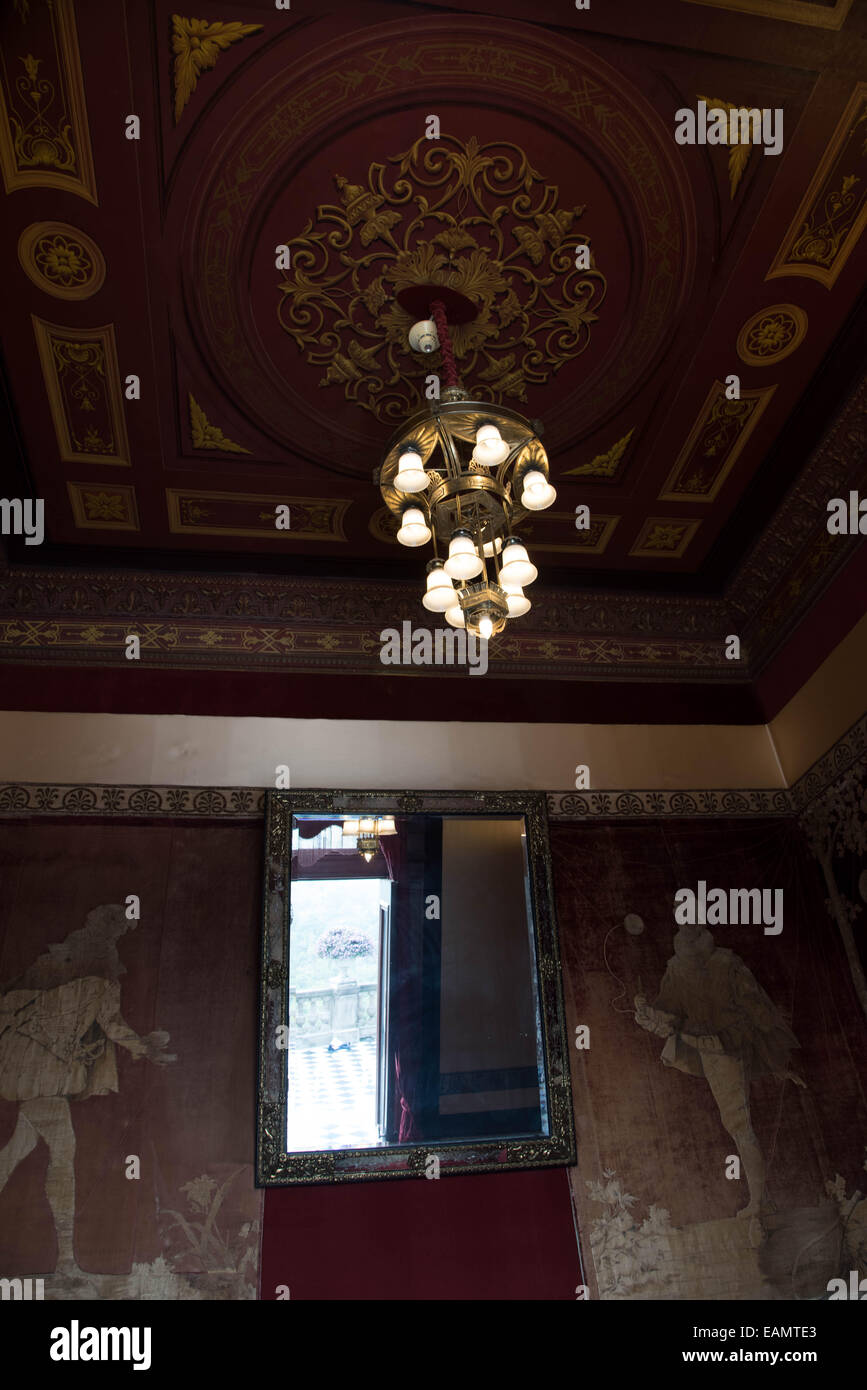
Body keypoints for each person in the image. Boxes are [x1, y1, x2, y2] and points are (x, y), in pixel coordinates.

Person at [0, 904, 175, 1276]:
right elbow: (111, 1024)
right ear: (110, 934)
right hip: (44, 1073)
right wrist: (144, 1048)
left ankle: (67, 1262)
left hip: (36, 1068)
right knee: (64, 1153)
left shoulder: (61, 957)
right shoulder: (100, 969)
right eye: (121, 932)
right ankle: (66, 1262)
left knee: (18, 1150)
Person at [634, 923, 804, 1225]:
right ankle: (761, 1201)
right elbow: (671, 1012)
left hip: (729, 1045)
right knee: (734, 1123)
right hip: (705, 1049)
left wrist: (775, 1051)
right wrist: (649, 1014)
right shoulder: (676, 966)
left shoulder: (726, 963)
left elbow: (756, 1009)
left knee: (739, 1123)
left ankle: (761, 1202)